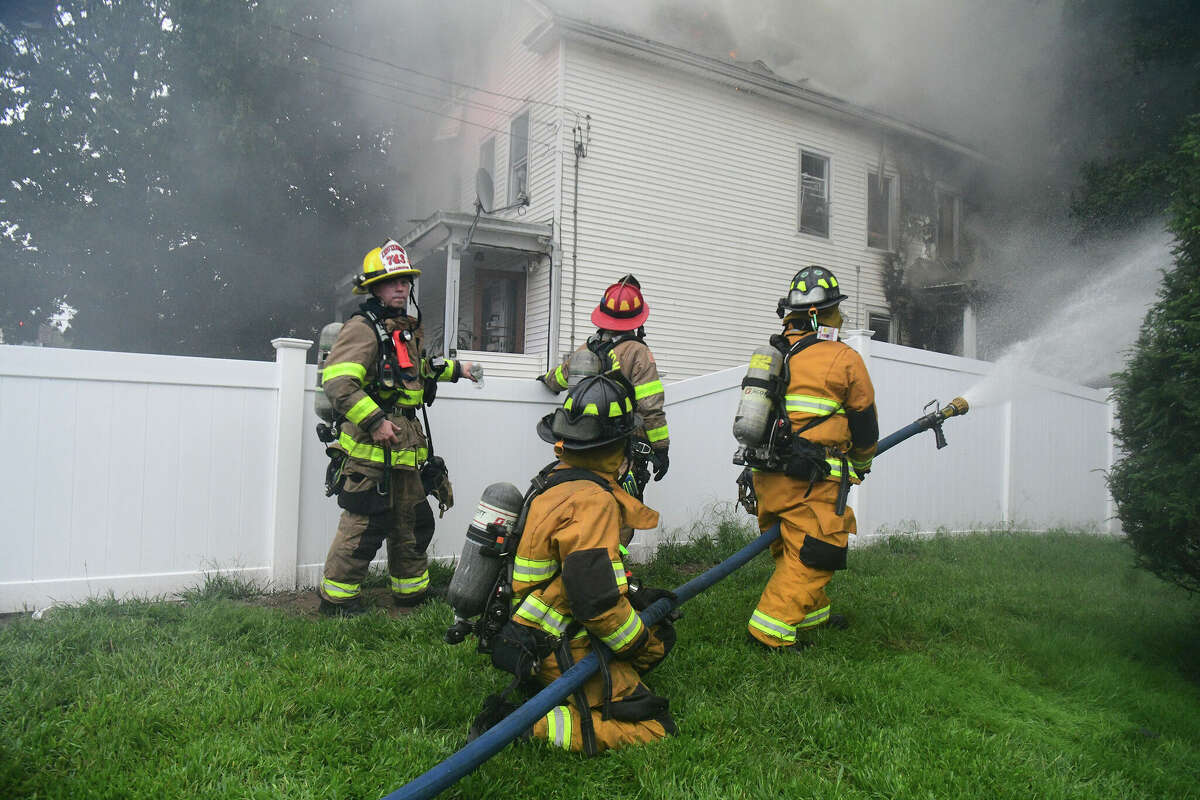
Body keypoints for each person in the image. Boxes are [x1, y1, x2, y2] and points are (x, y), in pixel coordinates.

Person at [472, 374, 677, 753]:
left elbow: (585, 572)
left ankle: (557, 687)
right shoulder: (591, 501)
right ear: (620, 445)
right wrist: (636, 642)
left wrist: (638, 599)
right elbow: (595, 601)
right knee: (652, 724)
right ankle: (523, 728)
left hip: (527, 628)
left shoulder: (557, 479)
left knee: (660, 638)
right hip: (558, 641)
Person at [318, 239, 478, 616]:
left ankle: (411, 594)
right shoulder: (362, 328)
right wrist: (374, 421)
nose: (401, 287)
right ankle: (337, 600)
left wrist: (459, 371)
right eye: (392, 281)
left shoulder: (401, 329)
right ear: (374, 286)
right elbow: (339, 383)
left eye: (405, 280)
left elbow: (417, 371)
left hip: (406, 447)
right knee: (365, 522)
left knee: (412, 521)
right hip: (370, 449)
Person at [745, 265, 878, 651]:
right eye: (836, 310)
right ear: (822, 315)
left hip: (767, 475)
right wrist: (864, 463)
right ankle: (770, 630)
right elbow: (865, 423)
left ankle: (812, 613)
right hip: (810, 478)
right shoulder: (842, 358)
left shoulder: (777, 354)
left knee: (793, 547)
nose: (841, 318)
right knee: (817, 550)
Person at [537, 275, 669, 508]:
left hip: (581, 446)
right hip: (620, 449)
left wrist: (546, 380)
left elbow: (559, 377)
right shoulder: (638, 353)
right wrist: (661, 449)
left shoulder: (587, 347)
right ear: (637, 319)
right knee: (620, 510)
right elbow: (650, 407)